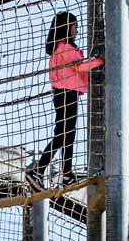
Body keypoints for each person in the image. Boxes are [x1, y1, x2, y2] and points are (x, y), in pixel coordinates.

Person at [30, 11, 100, 182]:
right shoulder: (66, 48)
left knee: (67, 134)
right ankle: (39, 170)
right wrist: (100, 60)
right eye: (75, 26)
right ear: (66, 27)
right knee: (64, 134)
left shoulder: (58, 49)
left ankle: (66, 173)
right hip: (67, 94)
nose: (77, 30)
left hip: (63, 94)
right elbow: (80, 67)